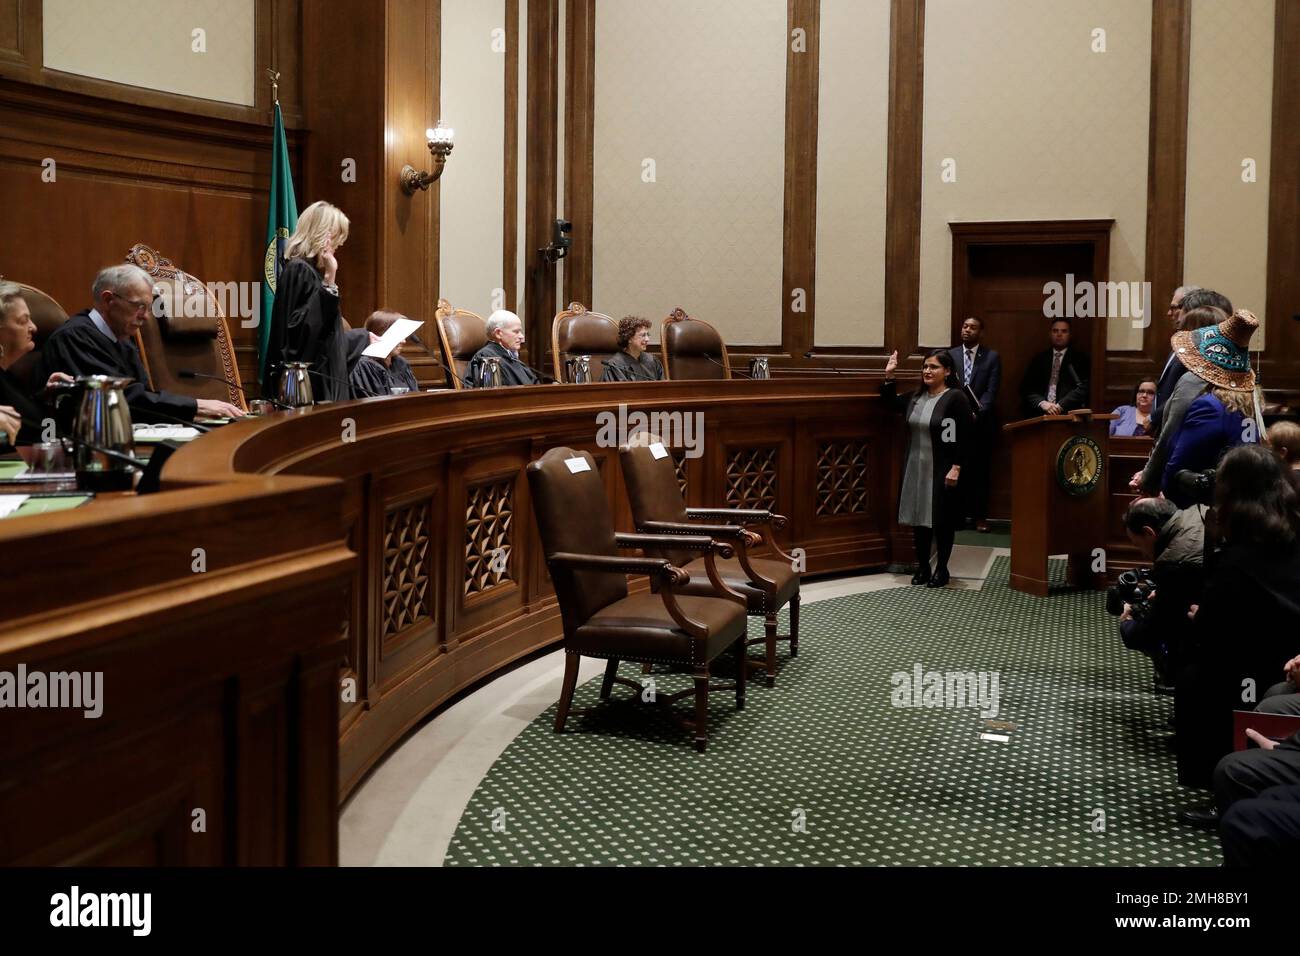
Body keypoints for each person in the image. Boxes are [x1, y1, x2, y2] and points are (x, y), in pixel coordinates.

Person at [1174, 444, 1300, 827]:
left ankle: (1221, 784)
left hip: (1259, 658)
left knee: (1197, 677)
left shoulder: (1238, 549)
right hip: (1286, 644)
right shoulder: (1291, 523)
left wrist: (1199, 617)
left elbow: (1215, 631)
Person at [38, 265, 244, 423]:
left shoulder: (121, 339)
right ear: (109, 300)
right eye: (139, 306)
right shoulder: (75, 338)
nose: (146, 317)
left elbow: (142, 395)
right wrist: (195, 406)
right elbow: (119, 400)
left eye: (148, 308)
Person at [881, 348, 972, 588]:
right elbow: (891, 404)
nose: (927, 371)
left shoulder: (954, 399)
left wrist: (956, 467)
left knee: (941, 520)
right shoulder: (916, 397)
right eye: (925, 367)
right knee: (919, 518)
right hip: (915, 466)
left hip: (941, 468)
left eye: (934, 367)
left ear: (948, 371)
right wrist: (890, 376)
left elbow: (961, 438)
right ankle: (923, 566)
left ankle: (942, 569)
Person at [1160, 309, 1261, 506]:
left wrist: (1163, 490)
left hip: (1206, 507)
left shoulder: (1210, 406)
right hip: (1241, 503)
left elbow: (1178, 465)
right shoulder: (1248, 403)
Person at [1131, 306, 1226, 494]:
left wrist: (1149, 479)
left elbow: (1170, 433)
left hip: (1188, 482)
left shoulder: (1193, 379)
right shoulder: (1237, 378)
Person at [264, 200, 351, 402]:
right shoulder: (299, 271)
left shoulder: (309, 273)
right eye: (337, 236)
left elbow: (328, 335)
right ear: (322, 235)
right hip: (307, 389)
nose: (340, 243)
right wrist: (330, 279)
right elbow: (300, 336)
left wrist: (362, 338)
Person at [1118, 497, 1205, 689]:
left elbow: (1154, 630)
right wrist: (1168, 593)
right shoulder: (1195, 511)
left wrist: (1127, 623)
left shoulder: (1175, 562)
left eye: (1138, 544)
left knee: (1177, 630)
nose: (1142, 554)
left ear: (1149, 533)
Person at [0, 281, 73, 448]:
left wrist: (47, 399)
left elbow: (41, 431)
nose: (33, 327)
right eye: (23, 320)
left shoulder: (11, 378)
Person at [948, 316, 1000, 532]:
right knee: (955, 467)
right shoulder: (950, 355)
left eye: (972, 327)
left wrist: (978, 411)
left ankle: (980, 517)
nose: (967, 330)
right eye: (965, 326)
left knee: (980, 471)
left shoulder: (991, 357)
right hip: (955, 421)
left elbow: (992, 389)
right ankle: (957, 516)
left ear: (981, 332)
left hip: (980, 423)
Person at [1019, 318, 1090, 419]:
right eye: (1055, 331)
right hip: (1040, 415)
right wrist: (1042, 403)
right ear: (1050, 334)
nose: (1059, 334)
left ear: (1070, 335)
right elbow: (1026, 388)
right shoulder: (1039, 359)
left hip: (1069, 415)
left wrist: (1060, 406)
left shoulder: (1080, 359)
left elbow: (1083, 387)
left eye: (1064, 331)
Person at [348, 311, 420, 398]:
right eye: (398, 335)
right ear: (379, 334)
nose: (403, 341)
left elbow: (415, 395)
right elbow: (374, 405)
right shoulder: (364, 366)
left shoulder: (400, 363)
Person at [466, 310, 541, 387]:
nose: (522, 336)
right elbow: (488, 394)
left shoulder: (510, 356)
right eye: (516, 331)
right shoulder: (488, 359)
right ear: (498, 333)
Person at [601, 316, 665, 382]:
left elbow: (664, 388)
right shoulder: (615, 366)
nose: (647, 339)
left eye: (648, 335)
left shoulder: (652, 361)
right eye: (642, 335)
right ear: (629, 338)